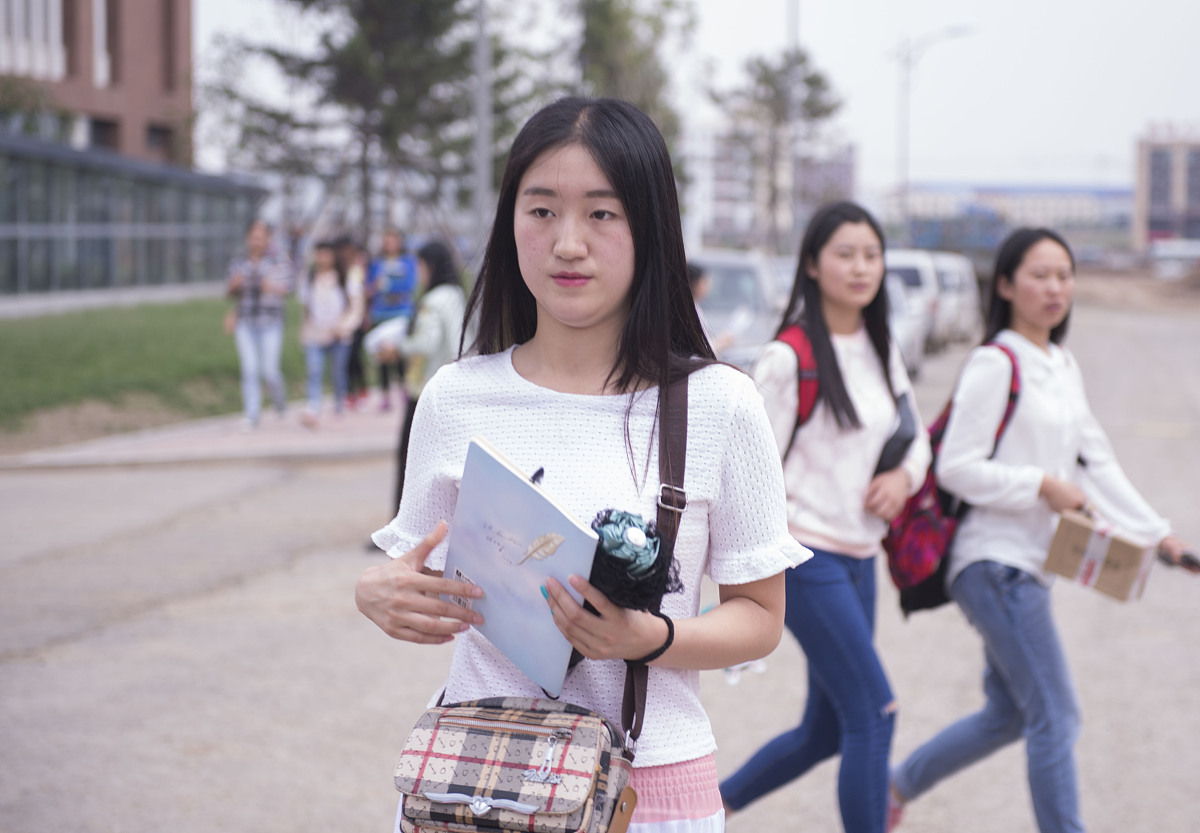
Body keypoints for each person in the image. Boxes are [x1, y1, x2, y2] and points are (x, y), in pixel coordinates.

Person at [355, 96, 809, 833]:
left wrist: (651, 639)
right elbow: (425, 577)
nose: (568, 242)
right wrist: (380, 595)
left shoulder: (719, 404)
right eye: (542, 211)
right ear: (510, 225)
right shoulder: (456, 395)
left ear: (650, 229)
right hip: (477, 779)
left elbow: (760, 617)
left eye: (602, 213)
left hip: (649, 785)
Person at [887, 228, 1196, 833]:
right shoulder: (994, 362)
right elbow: (956, 466)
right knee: (1057, 716)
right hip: (992, 563)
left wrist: (1159, 534)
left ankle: (895, 786)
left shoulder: (1061, 363)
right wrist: (1041, 485)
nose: (1056, 287)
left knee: (1009, 715)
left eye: (1065, 274)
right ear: (1005, 284)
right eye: (1040, 274)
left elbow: (1097, 460)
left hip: (1030, 563)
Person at [718, 201, 932, 833]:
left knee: (827, 729)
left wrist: (902, 477)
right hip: (806, 557)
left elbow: (914, 436)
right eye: (845, 253)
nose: (862, 267)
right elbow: (750, 471)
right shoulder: (789, 357)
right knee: (876, 712)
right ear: (812, 264)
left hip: (862, 556)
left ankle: (711, 807)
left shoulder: (880, 343)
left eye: (872, 254)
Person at [387, 238, 466, 514]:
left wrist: (396, 347)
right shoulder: (455, 294)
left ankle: (402, 522)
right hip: (453, 385)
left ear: (429, 266)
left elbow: (427, 343)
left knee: (408, 459)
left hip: (424, 389)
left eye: (419, 265)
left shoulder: (432, 300)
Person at [224, 219, 293, 431]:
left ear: (267, 239)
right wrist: (233, 288)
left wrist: (270, 286)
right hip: (246, 320)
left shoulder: (278, 259)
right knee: (249, 369)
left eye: (261, 237)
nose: (257, 241)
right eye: (253, 237)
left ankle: (280, 402)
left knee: (270, 371)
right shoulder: (239, 261)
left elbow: (288, 288)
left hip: (271, 320)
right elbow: (231, 292)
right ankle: (251, 414)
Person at [298, 240, 364, 427]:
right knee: (314, 370)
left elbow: (355, 307)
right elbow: (306, 308)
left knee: (338, 371)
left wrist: (344, 326)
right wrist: (304, 330)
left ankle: (339, 405)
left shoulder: (344, 277)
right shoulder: (309, 277)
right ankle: (313, 407)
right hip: (315, 333)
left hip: (339, 333)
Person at [365, 229, 418, 412]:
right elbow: (368, 287)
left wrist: (390, 286)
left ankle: (405, 389)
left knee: (401, 354)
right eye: (386, 240)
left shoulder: (408, 262)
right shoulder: (376, 263)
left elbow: (410, 285)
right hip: (380, 315)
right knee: (382, 357)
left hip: (402, 314)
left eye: (392, 240)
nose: (389, 244)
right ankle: (385, 394)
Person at [335, 234, 371, 409]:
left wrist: (365, 316)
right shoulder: (339, 271)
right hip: (343, 320)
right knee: (346, 358)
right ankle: (348, 392)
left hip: (358, 320)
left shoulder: (359, 268)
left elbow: (363, 295)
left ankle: (362, 388)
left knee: (355, 356)